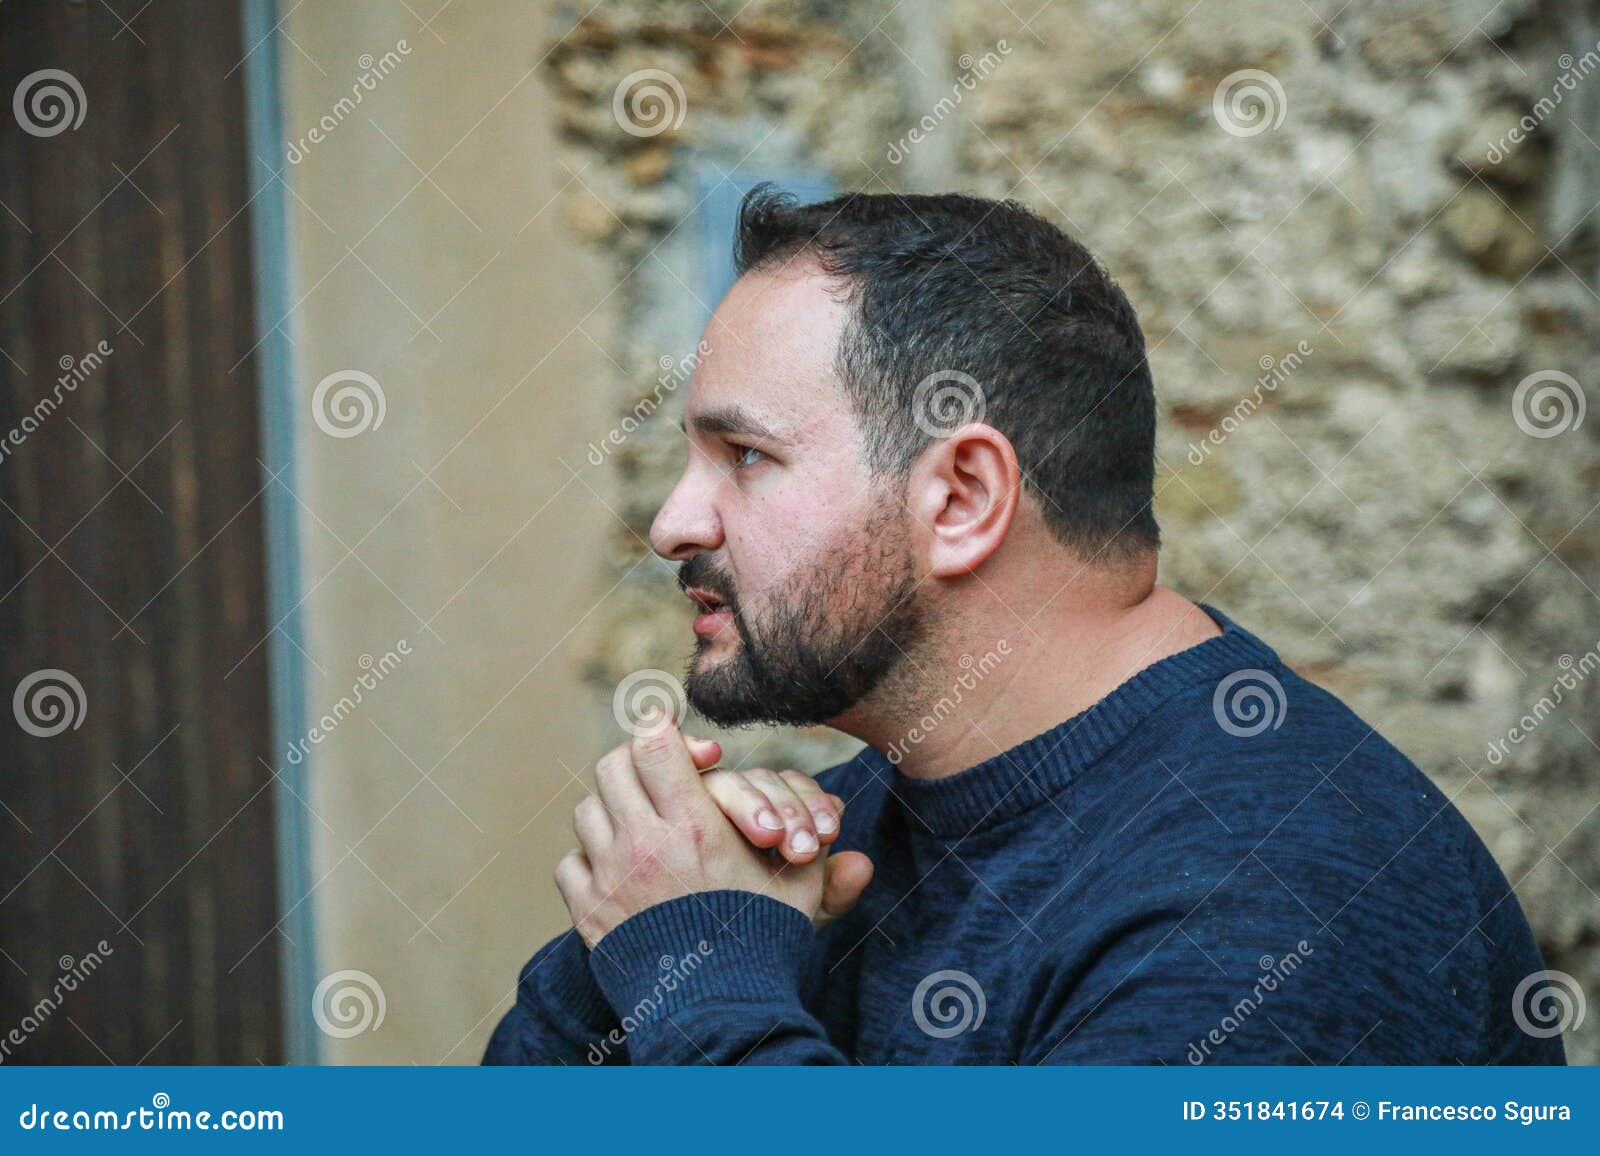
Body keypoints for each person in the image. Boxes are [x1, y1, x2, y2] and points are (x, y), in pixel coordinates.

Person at [484, 186, 1562, 1065]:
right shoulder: (832, 837)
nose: (674, 522)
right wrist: (641, 934)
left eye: (745, 457)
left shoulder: (1267, 900)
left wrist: (702, 968)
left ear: (960, 500)